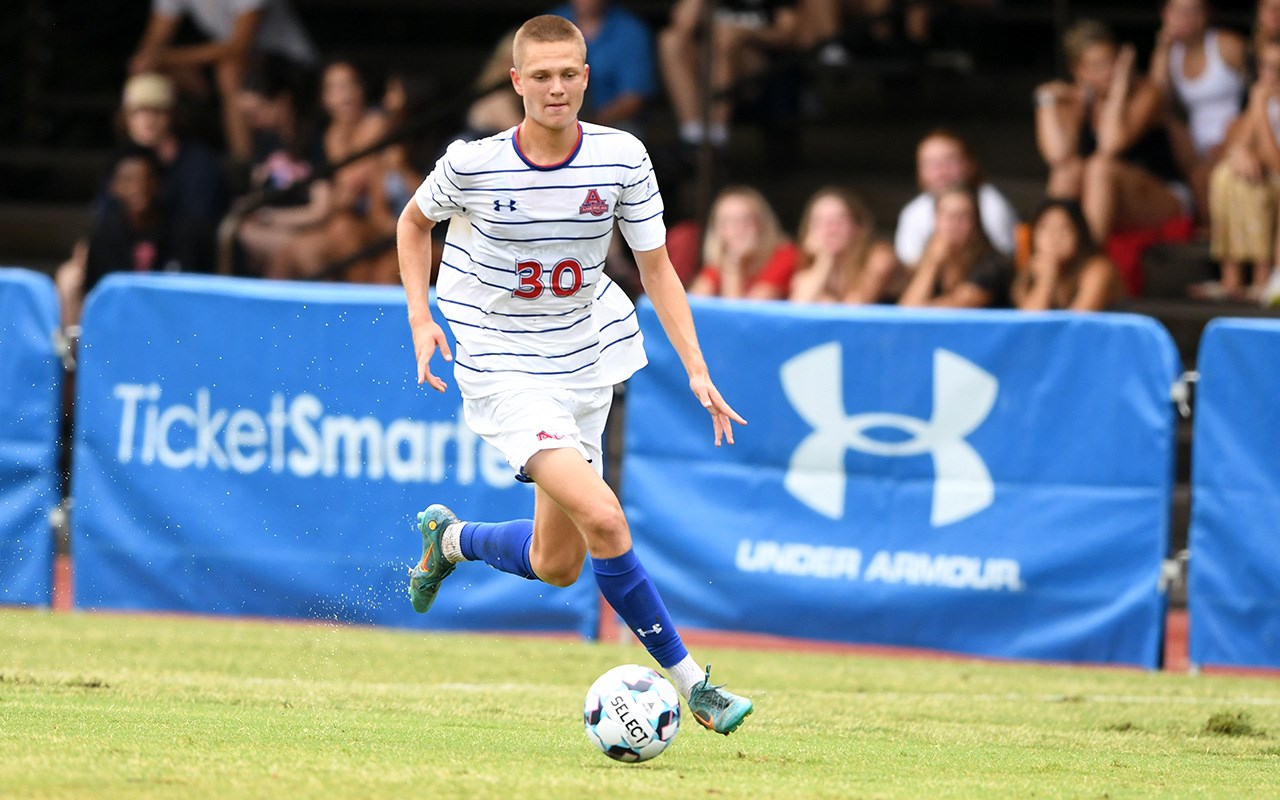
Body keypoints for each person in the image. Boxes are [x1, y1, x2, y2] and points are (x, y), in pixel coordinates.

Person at [395, 14, 754, 735]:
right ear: (517, 80)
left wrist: (696, 366)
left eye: (570, 74)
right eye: (543, 75)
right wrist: (420, 317)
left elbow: (657, 269)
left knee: (556, 564)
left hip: (585, 360)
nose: (556, 88)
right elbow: (412, 223)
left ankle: (451, 541)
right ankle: (694, 685)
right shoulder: (473, 162)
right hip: (501, 362)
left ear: (586, 78)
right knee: (605, 516)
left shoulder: (623, 158)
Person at [1034, 20, 1187, 245]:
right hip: (1104, 200)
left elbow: (1110, 144)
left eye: (1112, 61)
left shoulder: (1146, 93)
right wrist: (1045, 102)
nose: (1109, 72)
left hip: (1164, 197)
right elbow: (1057, 156)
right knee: (1067, 171)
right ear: (1078, 71)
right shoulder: (1079, 103)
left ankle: (1088, 261)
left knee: (1099, 168)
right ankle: (1047, 253)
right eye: (1097, 66)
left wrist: (1120, 87)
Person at [129, 0, 317, 159]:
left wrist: (167, 59)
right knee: (153, 71)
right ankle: (153, 157)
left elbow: (239, 45)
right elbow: (152, 45)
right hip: (235, 61)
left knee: (228, 71)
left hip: (290, 62)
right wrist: (149, 64)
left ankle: (243, 163)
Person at [1149, 0, 1247, 224]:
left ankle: (1210, 234)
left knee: (1202, 175)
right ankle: (1199, 224)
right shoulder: (1172, 53)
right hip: (1194, 142)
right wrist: (1162, 49)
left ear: (1206, 14)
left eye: (1194, 11)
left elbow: (1255, 92)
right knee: (1169, 124)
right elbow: (1156, 102)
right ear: (1165, 15)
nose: (1187, 19)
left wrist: (1236, 134)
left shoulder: (1226, 44)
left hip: (1233, 131)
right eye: (1179, 12)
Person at [658, 0, 800, 148]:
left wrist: (742, 33)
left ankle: (717, 138)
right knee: (670, 41)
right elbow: (682, 24)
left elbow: (787, 35)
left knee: (725, 39)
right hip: (706, 61)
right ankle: (693, 136)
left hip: (755, 62)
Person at [1202, 34, 1280, 302]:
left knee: (1254, 184)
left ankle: (1263, 277)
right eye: (1265, 67)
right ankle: (1231, 278)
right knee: (1226, 175)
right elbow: (1235, 144)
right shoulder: (1262, 98)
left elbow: (1277, 165)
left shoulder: (1263, 102)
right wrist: (1239, 152)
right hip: (1266, 175)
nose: (1270, 76)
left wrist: (1259, 109)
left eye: (1277, 69)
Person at [893, 129, 1019, 268]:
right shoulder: (912, 212)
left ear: (970, 164)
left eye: (950, 160)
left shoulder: (990, 203)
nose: (940, 171)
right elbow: (907, 267)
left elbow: (1008, 262)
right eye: (930, 163)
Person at [552, 0, 657, 134]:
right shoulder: (551, 24)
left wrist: (587, 126)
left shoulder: (631, 31)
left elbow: (633, 99)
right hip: (554, 118)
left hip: (611, 124)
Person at [898, 186, 1012, 308]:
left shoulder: (993, 264)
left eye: (963, 215)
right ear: (935, 220)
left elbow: (952, 310)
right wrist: (932, 264)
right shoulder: (928, 257)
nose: (954, 222)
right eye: (947, 215)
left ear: (975, 222)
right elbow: (905, 312)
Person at [83, 145, 172, 296]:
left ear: (157, 183)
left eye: (146, 178)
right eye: (128, 179)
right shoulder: (104, 235)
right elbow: (97, 293)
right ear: (113, 186)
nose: (139, 187)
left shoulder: (179, 230)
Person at [789, 186, 901, 303]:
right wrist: (824, 261)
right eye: (820, 221)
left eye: (839, 220)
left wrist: (827, 302)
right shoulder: (809, 265)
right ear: (808, 230)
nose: (830, 230)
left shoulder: (880, 258)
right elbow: (799, 309)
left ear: (858, 227)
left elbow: (854, 309)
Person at [689, 186, 798, 299]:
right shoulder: (719, 262)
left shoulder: (785, 255)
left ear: (762, 225)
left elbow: (745, 313)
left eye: (746, 220)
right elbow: (693, 305)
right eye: (728, 222)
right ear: (717, 231)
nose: (738, 229)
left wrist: (733, 265)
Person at [1012, 199, 1120, 311]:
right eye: (1044, 227)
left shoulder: (1099, 269)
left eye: (1064, 228)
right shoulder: (1029, 273)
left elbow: (1077, 323)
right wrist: (1045, 281)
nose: (1054, 237)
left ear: (1080, 234)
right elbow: (1029, 323)